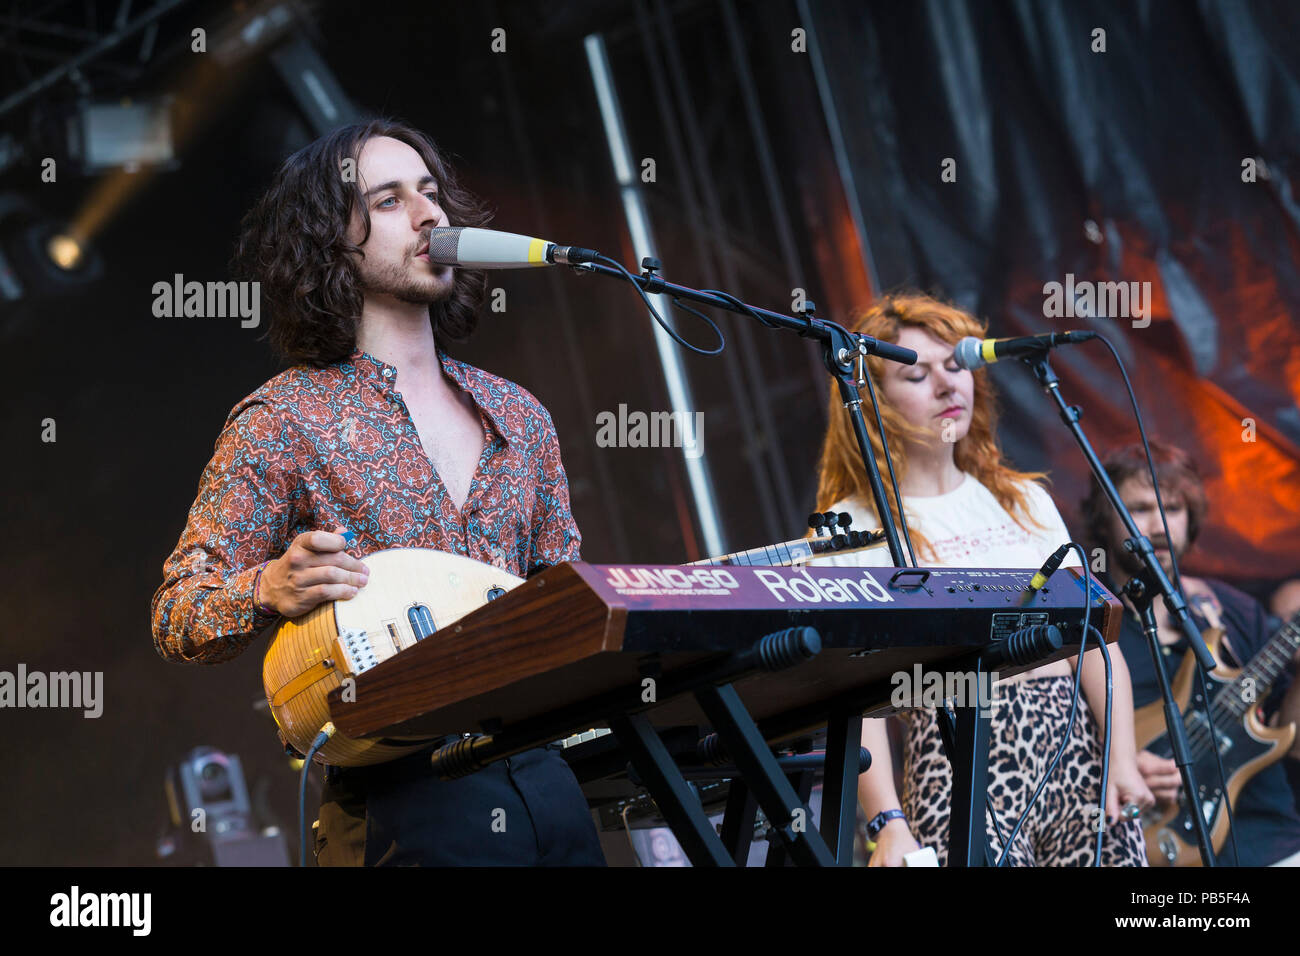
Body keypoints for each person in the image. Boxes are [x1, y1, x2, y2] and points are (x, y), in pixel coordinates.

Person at [150, 119, 604, 866]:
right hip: (395, 801)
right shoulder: (284, 421)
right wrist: (268, 584)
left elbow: (562, 600)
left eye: (431, 192)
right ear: (332, 240)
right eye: (389, 201)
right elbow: (176, 612)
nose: (430, 215)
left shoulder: (521, 416)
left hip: (547, 785)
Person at [808, 292, 1151, 866]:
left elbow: (1094, 641)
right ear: (872, 402)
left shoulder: (1023, 500)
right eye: (916, 375)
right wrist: (887, 821)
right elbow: (852, 700)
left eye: (956, 367)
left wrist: (1122, 757)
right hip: (953, 756)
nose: (947, 386)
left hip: (1077, 747)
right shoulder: (850, 528)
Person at [1082, 439, 1300, 866]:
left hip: (1270, 841)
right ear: (1105, 519)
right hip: (1142, 845)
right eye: (1140, 509)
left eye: (1173, 509)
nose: (1160, 526)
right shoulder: (1087, 624)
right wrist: (1115, 763)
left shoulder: (1230, 610)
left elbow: (1292, 741)